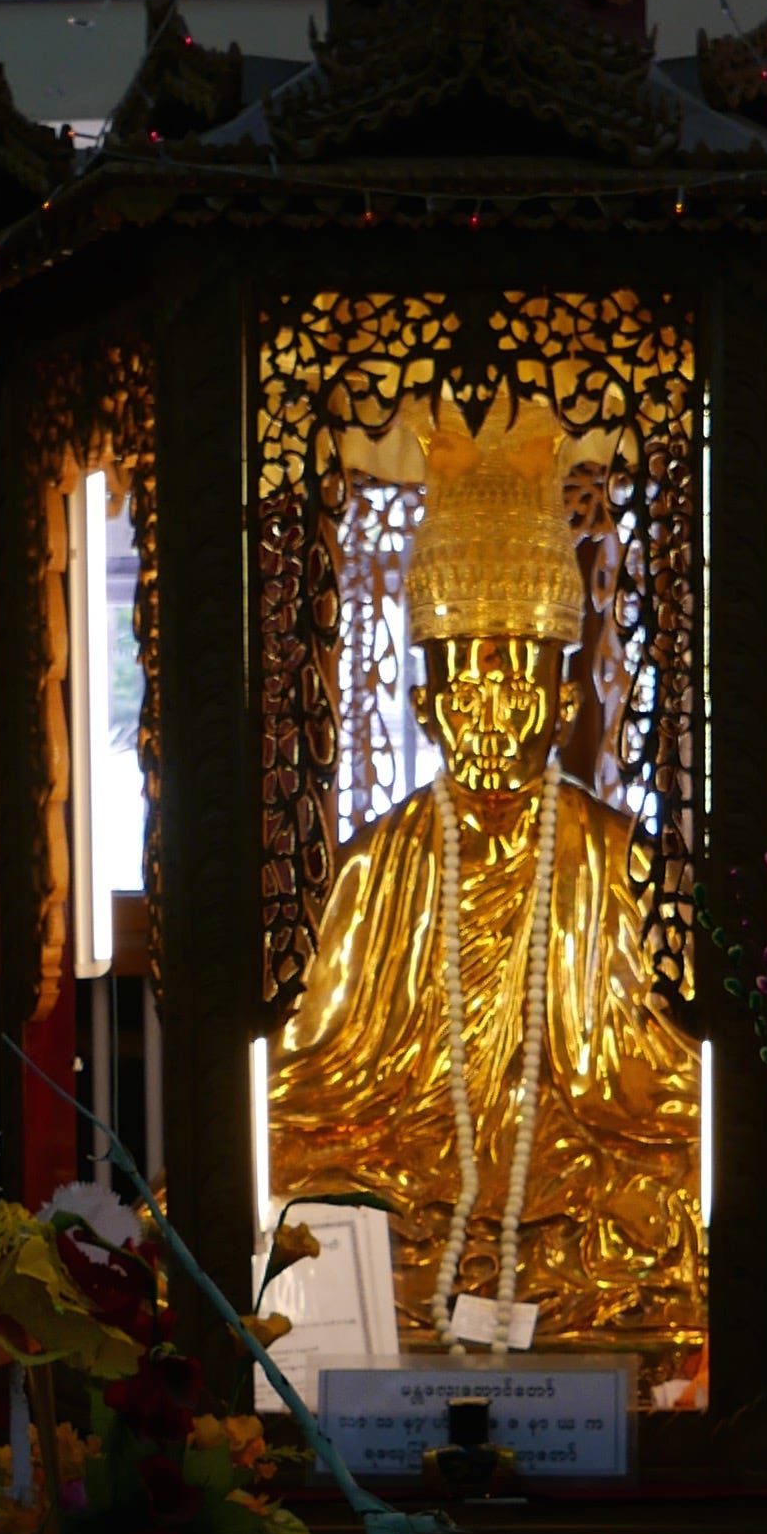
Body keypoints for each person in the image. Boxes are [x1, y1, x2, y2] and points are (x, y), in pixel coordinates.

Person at [265, 415, 703, 1353]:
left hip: (573, 1149)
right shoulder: (373, 862)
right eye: (466, 695)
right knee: (273, 1188)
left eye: (519, 695)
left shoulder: (616, 854)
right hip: (407, 1158)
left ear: (565, 697)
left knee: (698, 1199)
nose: (493, 724)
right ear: (423, 704)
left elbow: (661, 1075)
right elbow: (314, 1076)